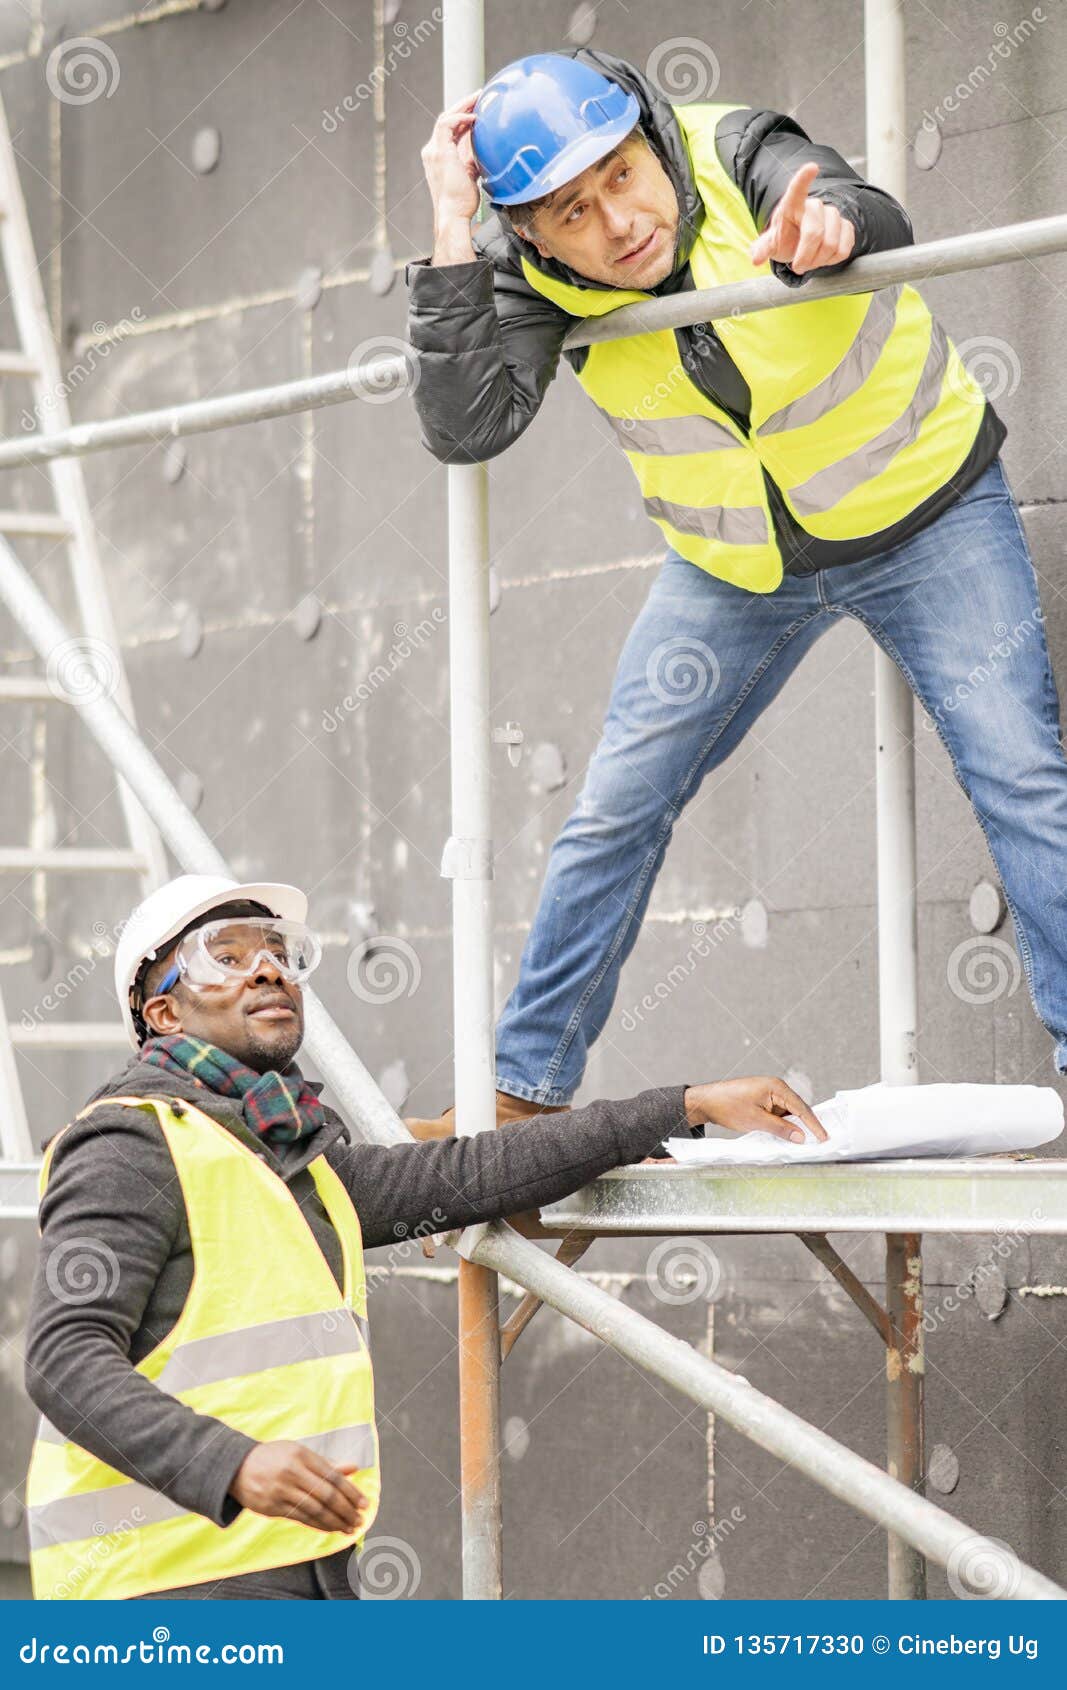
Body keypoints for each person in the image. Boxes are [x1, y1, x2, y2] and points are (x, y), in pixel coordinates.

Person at [405, 47, 1067, 1133]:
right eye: (573, 212)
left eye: (622, 175)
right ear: (528, 235)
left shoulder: (733, 148)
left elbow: (864, 208)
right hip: (735, 569)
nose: (618, 223)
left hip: (926, 513)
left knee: (1020, 777)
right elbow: (466, 425)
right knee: (614, 810)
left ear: (648, 140)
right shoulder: (527, 277)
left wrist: (830, 231)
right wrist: (448, 225)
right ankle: (519, 1099)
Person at [22, 873, 822, 1601]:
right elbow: (63, 1356)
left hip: (289, 1564)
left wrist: (680, 1106)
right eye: (223, 958)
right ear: (163, 1013)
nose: (267, 971)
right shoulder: (129, 1142)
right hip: (159, 1589)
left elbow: (467, 1173)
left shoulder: (288, 1159)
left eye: (279, 954)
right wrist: (231, 1463)